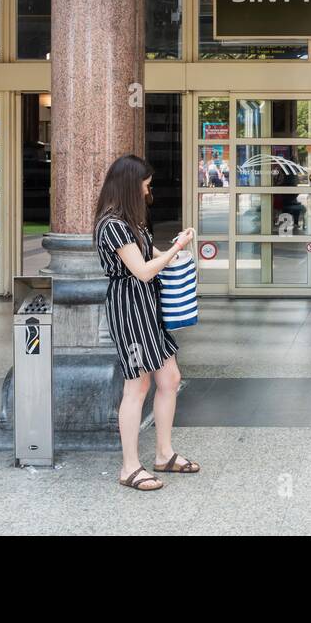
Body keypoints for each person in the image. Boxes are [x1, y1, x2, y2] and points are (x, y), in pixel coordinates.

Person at [93, 154, 198, 491]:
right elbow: (142, 270)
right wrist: (177, 248)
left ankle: (163, 454)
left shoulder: (131, 222)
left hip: (147, 306)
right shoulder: (112, 225)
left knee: (170, 377)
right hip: (129, 308)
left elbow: (153, 255)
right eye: (145, 185)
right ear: (129, 184)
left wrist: (174, 252)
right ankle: (129, 467)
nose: (148, 191)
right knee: (136, 386)